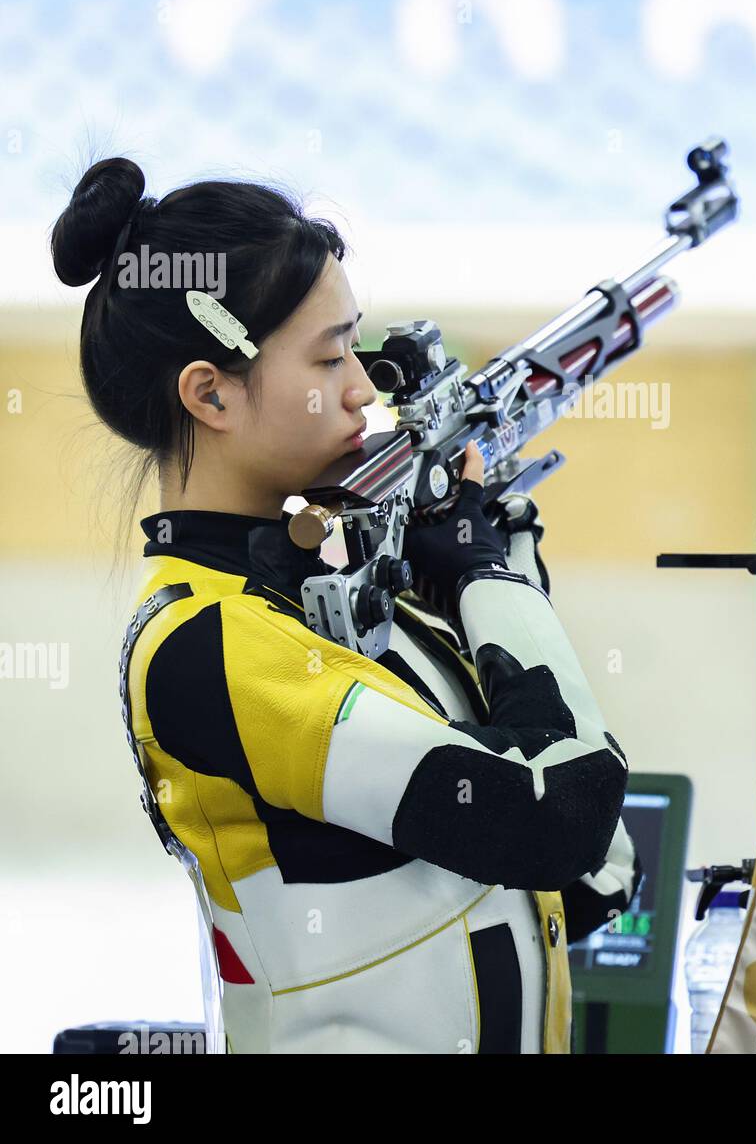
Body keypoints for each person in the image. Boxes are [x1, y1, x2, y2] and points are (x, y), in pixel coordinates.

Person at [49, 156, 642, 1054]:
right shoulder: (208, 647)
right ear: (210, 391)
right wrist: (489, 574)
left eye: (360, 349)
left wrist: (491, 559)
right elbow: (551, 817)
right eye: (330, 357)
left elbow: (593, 883)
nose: (367, 391)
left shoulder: (335, 597)